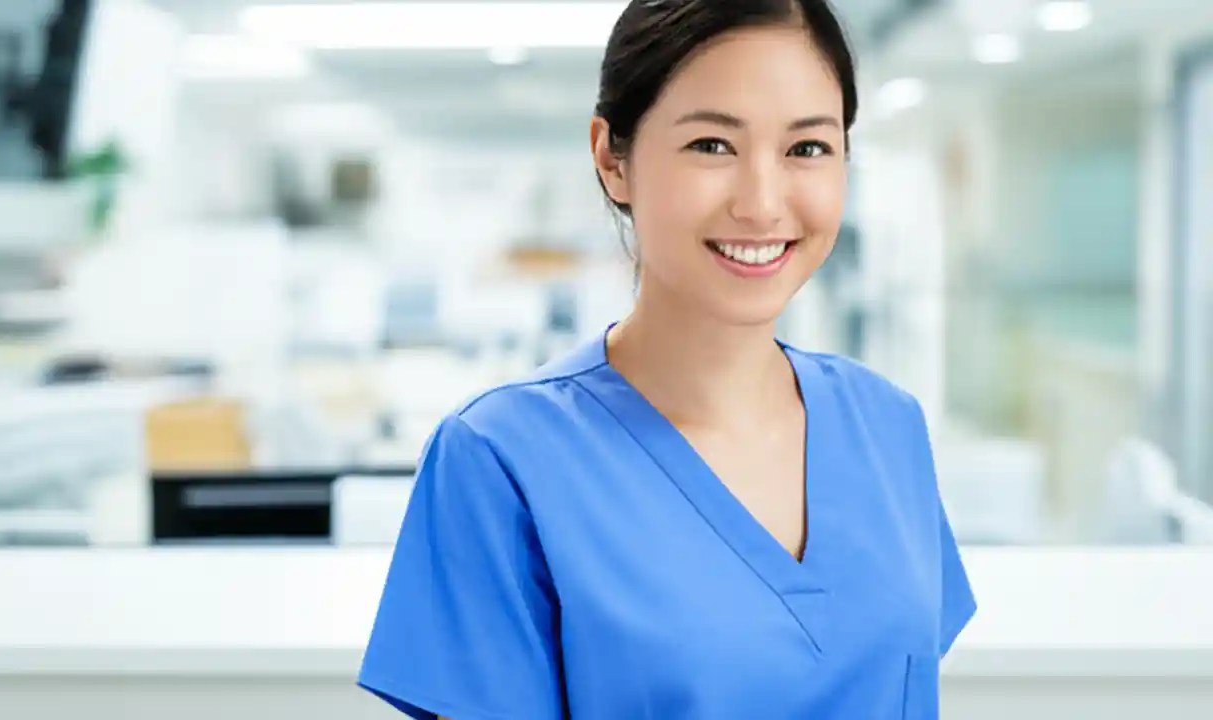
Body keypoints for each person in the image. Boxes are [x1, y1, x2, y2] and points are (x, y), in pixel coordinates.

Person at [356, 0, 976, 717]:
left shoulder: (885, 426)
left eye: (807, 148)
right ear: (611, 159)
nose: (763, 204)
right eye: (713, 145)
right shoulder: (503, 459)